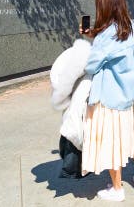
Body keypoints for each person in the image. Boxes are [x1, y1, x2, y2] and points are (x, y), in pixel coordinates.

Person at [82, 0, 134, 202]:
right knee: (133, 137)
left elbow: (91, 66)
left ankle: (117, 189)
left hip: (109, 98)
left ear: (105, 6)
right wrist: (93, 34)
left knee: (111, 142)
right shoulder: (131, 26)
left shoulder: (106, 35)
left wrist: (92, 39)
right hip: (128, 96)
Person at [50, 18, 93, 179]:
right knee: (79, 127)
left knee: (75, 127)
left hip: (76, 96)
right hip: (81, 95)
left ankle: (77, 165)